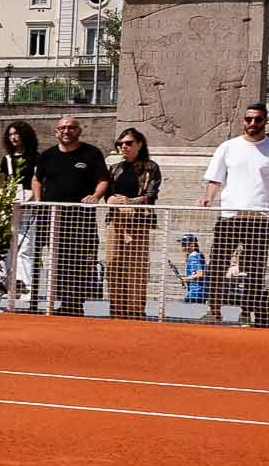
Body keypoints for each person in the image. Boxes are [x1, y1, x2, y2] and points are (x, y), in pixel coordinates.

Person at [199, 102, 269, 327]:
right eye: (249, 119)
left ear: (265, 121)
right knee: (218, 265)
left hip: (260, 219)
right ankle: (214, 310)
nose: (253, 123)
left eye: (258, 119)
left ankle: (247, 312)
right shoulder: (227, 147)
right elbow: (215, 179)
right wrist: (207, 199)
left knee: (255, 268)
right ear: (243, 120)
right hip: (229, 216)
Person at [31, 117, 111, 316]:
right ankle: (45, 301)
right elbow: (36, 179)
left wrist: (95, 196)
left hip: (81, 220)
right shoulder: (47, 155)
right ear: (56, 132)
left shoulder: (92, 153)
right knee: (51, 260)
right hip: (51, 219)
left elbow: (103, 179)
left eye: (71, 128)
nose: (67, 131)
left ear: (79, 131)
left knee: (80, 263)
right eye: (62, 128)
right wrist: (39, 200)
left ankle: (74, 305)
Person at [103, 127, 163, 321]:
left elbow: (151, 195)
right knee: (113, 265)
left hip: (138, 221)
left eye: (128, 143)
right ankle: (116, 309)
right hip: (116, 222)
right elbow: (108, 193)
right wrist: (110, 200)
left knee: (136, 267)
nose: (123, 147)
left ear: (139, 144)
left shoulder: (150, 167)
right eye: (120, 144)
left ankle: (135, 310)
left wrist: (130, 202)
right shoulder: (114, 168)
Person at [0, 121, 42, 308]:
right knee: (7, 247)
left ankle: (27, 288)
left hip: (28, 204)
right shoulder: (7, 159)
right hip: (10, 204)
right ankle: (9, 285)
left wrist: (32, 198)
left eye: (16, 133)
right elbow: (2, 182)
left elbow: (38, 180)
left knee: (26, 247)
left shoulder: (36, 157)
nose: (13, 137)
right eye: (10, 134)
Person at [177, 232, 208, 305]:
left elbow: (199, 274)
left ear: (192, 245)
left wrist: (185, 279)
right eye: (182, 244)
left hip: (196, 293)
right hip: (194, 291)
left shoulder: (194, 256)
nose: (182, 247)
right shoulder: (193, 256)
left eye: (184, 244)